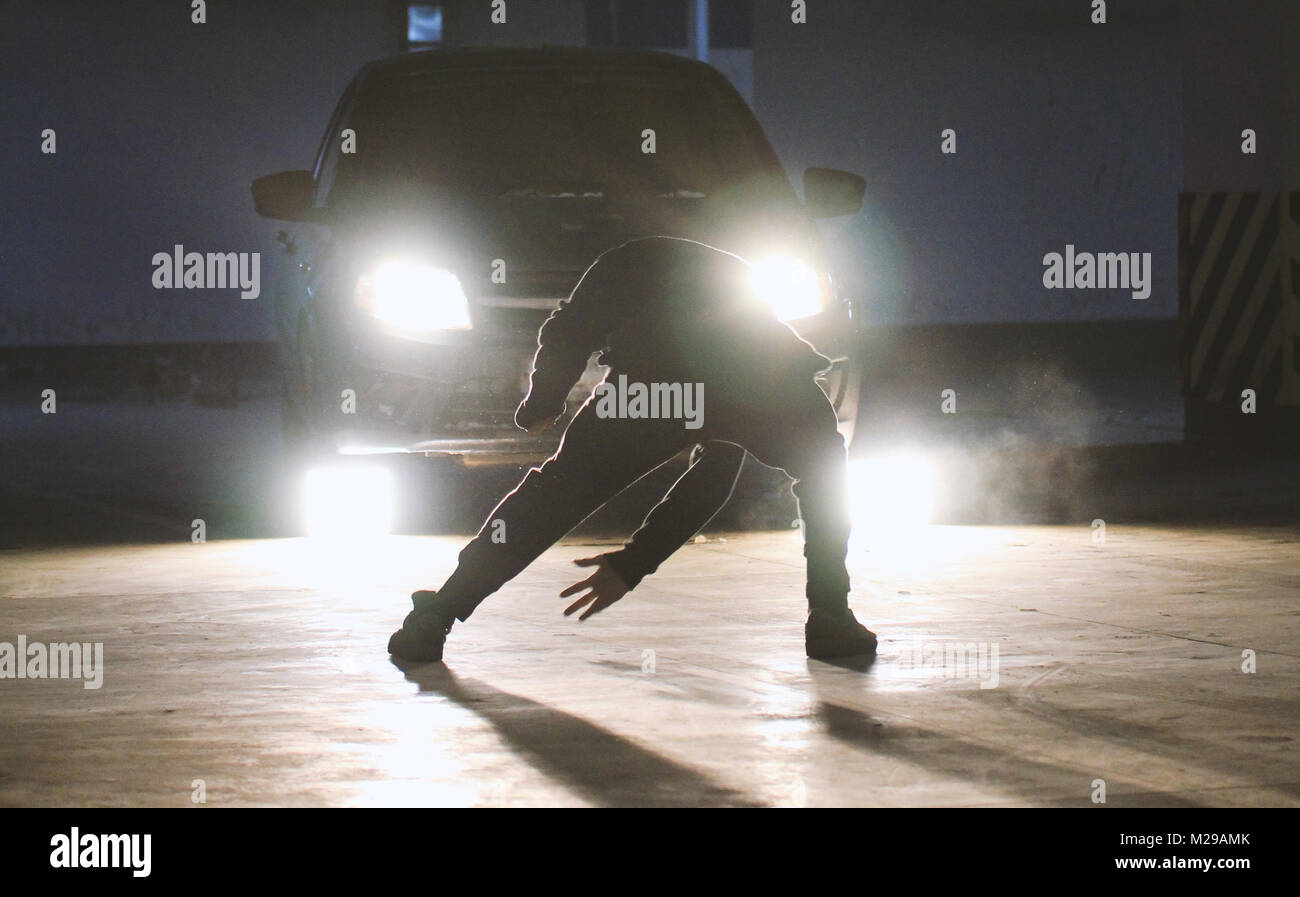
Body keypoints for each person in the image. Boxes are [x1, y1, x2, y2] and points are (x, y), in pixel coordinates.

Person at [387, 236, 877, 662]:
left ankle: (440, 614)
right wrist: (634, 563)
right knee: (824, 471)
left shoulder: (618, 264)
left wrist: (544, 402)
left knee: (558, 494)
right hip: (767, 385)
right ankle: (831, 615)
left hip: (655, 392)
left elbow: (568, 331)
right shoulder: (722, 282)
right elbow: (715, 470)